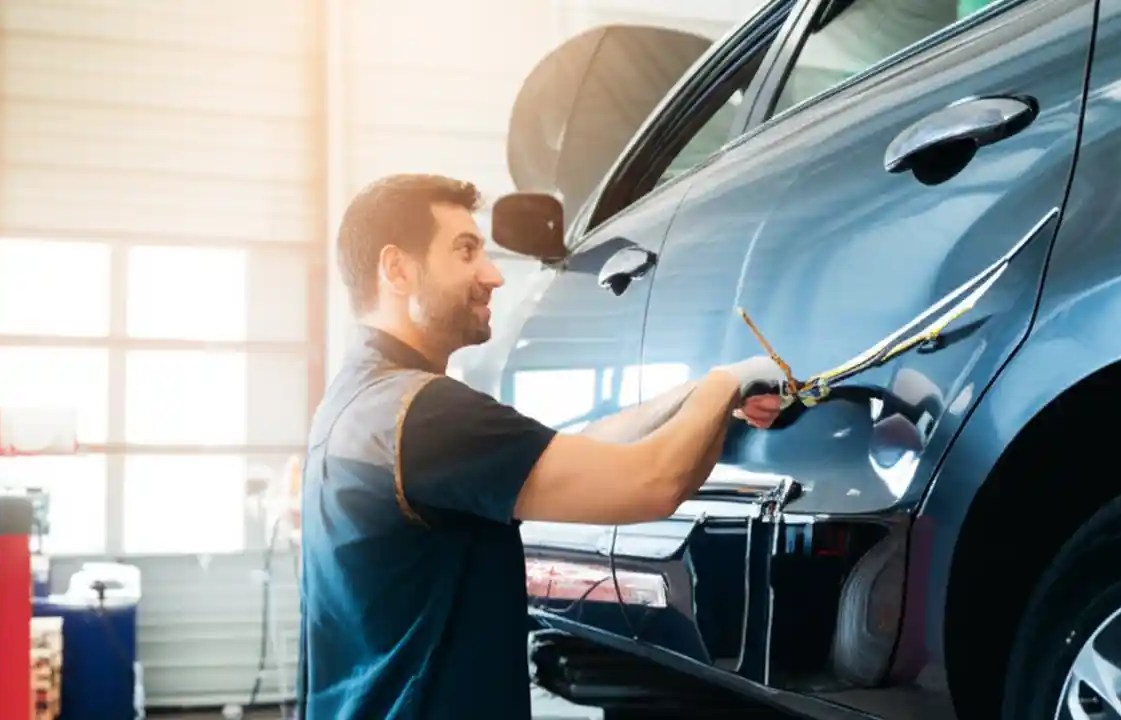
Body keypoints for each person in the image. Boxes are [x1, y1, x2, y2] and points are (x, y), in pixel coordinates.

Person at [296, 173, 790, 719]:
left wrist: (701, 397)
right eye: (465, 252)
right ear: (397, 269)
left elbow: (577, 453)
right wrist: (728, 379)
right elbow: (652, 483)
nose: (492, 276)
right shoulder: (425, 415)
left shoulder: (360, 402)